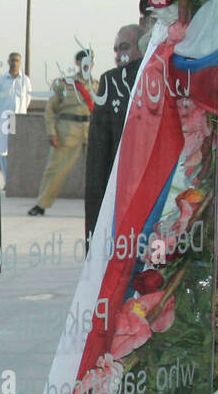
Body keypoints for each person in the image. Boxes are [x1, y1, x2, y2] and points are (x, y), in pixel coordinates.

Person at [81, 25, 142, 241]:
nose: (118, 56)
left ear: (142, 47)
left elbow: (99, 157)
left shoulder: (113, 81)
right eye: (115, 50)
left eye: (124, 48)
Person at [28, 49, 94, 216]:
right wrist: (51, 132)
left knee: (97, 172)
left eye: (89, 61)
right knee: (55, 169)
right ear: (78, 63)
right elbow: (50, 109)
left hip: (91, 129)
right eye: (83, 61)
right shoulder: (64, 84)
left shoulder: (98, 85)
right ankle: (41, 204)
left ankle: (98, 207)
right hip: (68, 130)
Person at [0, 51, 31, 183]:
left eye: (17, 60)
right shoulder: (1, 81)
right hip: (5, 117)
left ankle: (17, 180)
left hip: (19, 119)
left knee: (18, 149)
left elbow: (28, 98)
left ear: (20, 63)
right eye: (12, 60)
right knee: (3, 150)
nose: (14, 63)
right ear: (8, 62)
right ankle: (8, 179)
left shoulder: (25, 81)